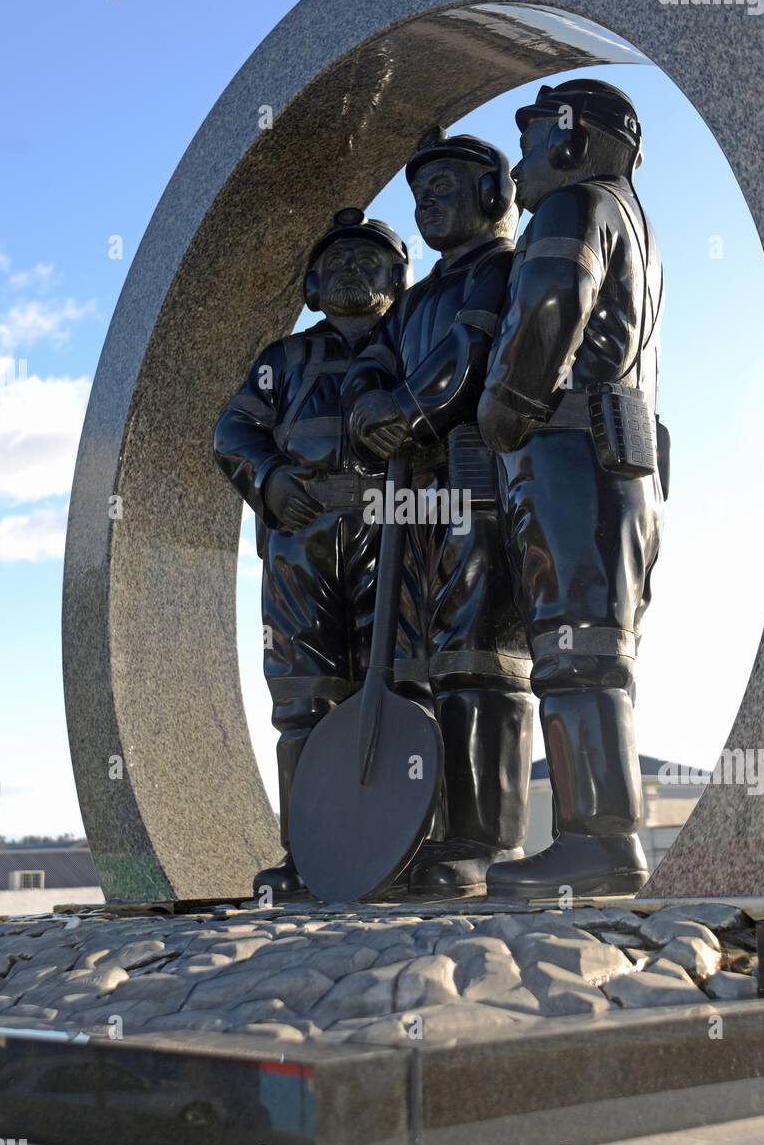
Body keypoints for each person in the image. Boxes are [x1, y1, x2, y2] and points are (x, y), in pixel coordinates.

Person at [477, 80, 668, 899]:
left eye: (528, 145)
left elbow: (551, 299)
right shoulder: (638, 227)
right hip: (622, 460)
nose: (518, 169)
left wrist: (504, 407)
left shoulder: (573, 208)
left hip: (567, 454)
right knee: (596, 651)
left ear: (569, 141)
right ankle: (600, 837)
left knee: (572, 649)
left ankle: (597, 843)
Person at [348, 127, 533, 898]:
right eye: (419, 194)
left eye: (445, 187)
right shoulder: (411, 301)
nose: (428, 203)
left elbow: (467, 359)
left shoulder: (502, 271)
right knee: (413, 665)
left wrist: (404, 409)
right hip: (411, 502)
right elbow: (368, 375)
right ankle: (418, 832)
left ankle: (485, 838)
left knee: (479, 660)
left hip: (479, 492)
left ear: (494, 195)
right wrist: (371, 414)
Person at [213, 208, 410, 897]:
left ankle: (397, 855)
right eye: (337, 264)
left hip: (395, 533)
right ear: (311, 286)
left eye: (369, 261)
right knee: (301, 699)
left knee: (396, 683)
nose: (352, 272)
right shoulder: (283, 360)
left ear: (398, 278)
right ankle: (306, 859)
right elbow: (234, 430)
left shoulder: (416, 344)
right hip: (301, 538)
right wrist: (268, 480)